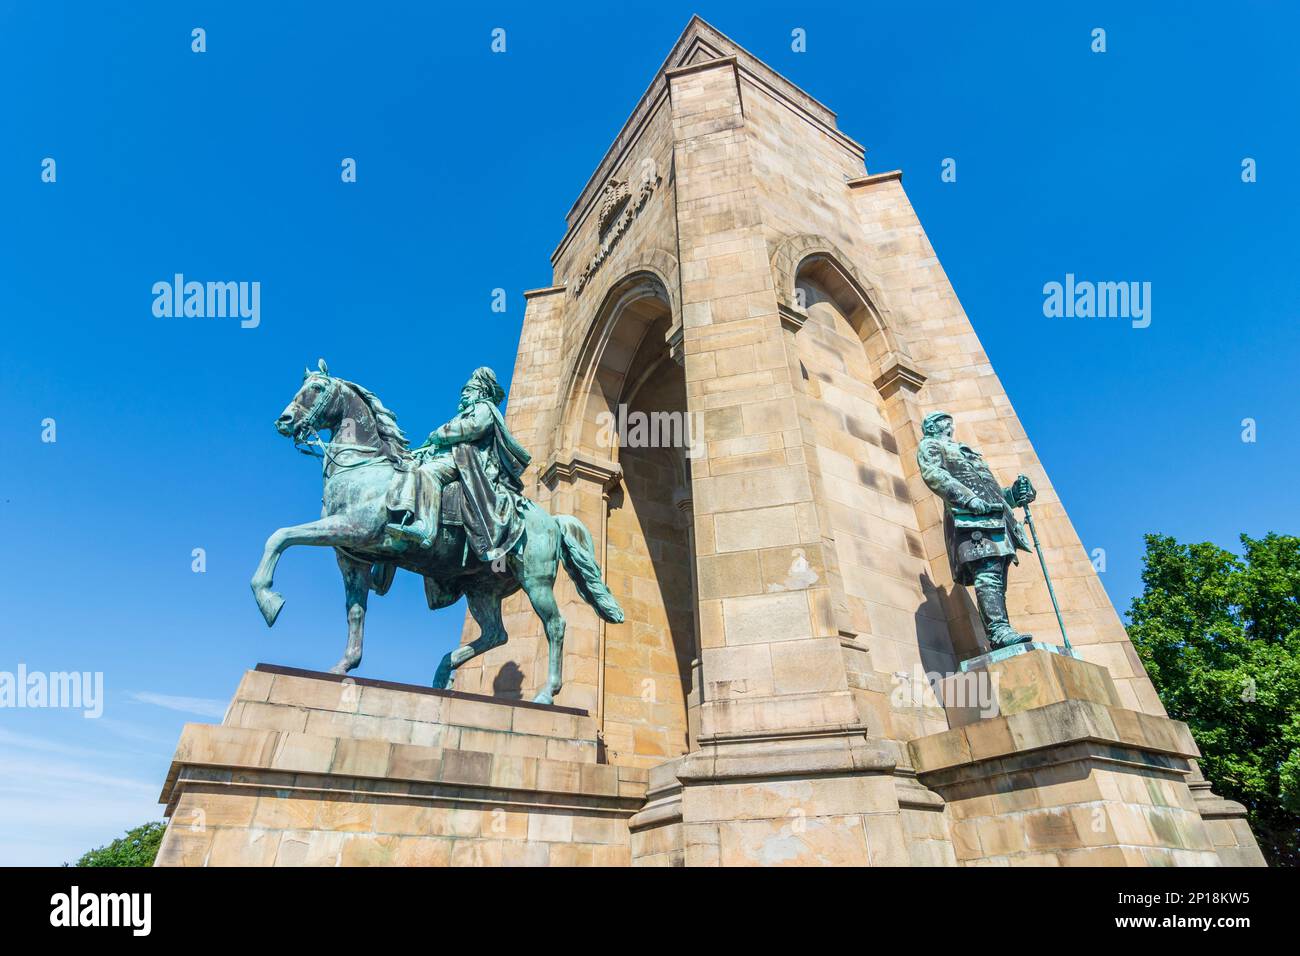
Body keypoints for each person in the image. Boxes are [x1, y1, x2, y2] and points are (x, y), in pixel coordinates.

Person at [915, 411, 1037, 649]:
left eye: (948, 423)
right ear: (931, 427)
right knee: (988, 575)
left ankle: (1000, 631)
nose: (948, 426)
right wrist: (968, 499)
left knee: (998, 579)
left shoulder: (967, 452)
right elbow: (934, 474)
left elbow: (992, 494)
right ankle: (999, 631)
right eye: (941, 422)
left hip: (995, 521)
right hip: (970, 521)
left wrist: (1014, 494)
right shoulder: (930, 445)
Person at [385, 367, 530, 562]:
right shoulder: (464, 412)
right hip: (447, 456)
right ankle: (400, 524)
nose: (463, 395)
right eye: (463, 391)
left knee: (428, 472)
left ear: (481, 392)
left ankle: (425, 528)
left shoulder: (484, 408)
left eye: (468, 391)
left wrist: (440, 434)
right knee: (406, 469)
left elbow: (474, 428)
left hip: (467, 460)